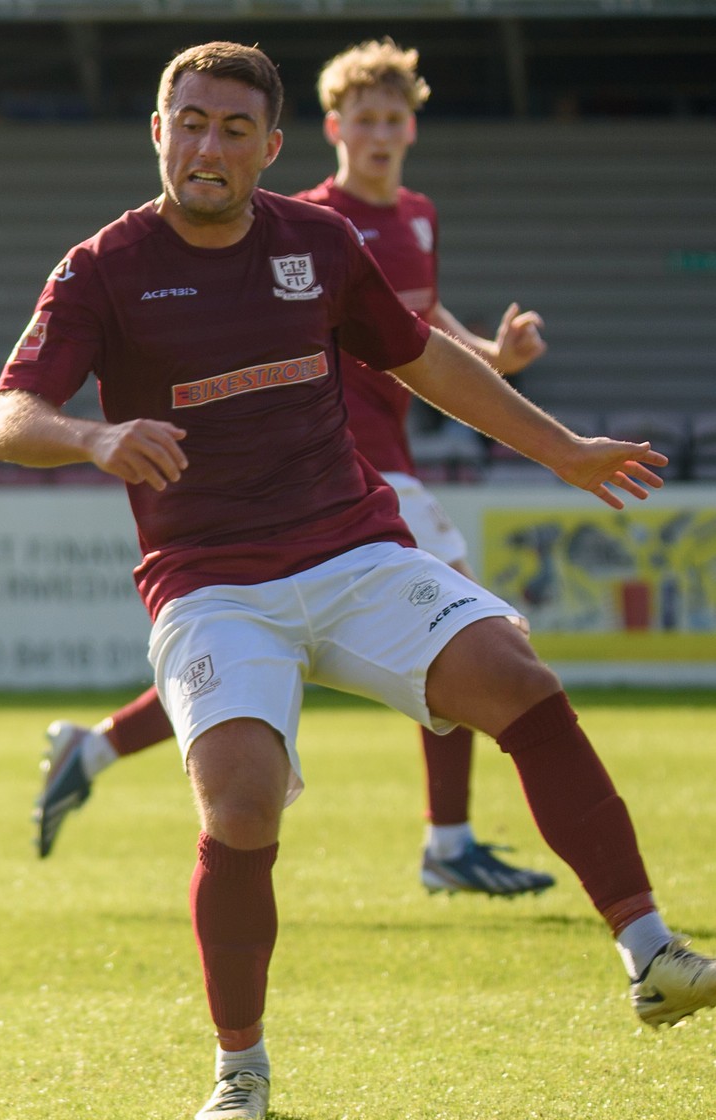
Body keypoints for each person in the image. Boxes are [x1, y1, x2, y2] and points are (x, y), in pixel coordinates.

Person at [0, 42, 715, 1120]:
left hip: (352, 547)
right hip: (210, 581)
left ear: (269, 149)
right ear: (156, 131)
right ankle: (240, 1069)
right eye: (186, 122)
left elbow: (421, 355)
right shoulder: (100, 265)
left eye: (232, 129)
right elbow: (8, 419)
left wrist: (557, 447)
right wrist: (90, 437)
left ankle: (648, 951)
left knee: (517, 678)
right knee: (241, 803)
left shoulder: (318, 241)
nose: (205, 145)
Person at [32, 39, 558, 899]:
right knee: (475, 636)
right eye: (362, 120)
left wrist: (491, 354)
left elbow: (410, 325)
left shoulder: (416, 215)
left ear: (411, 127)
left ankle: (91, 747)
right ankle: (449, 840)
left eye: (392, 119)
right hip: (348, 465)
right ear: (329, 129)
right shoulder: (300, 217)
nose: (377, 134)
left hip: (382, 466)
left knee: (273, 656)